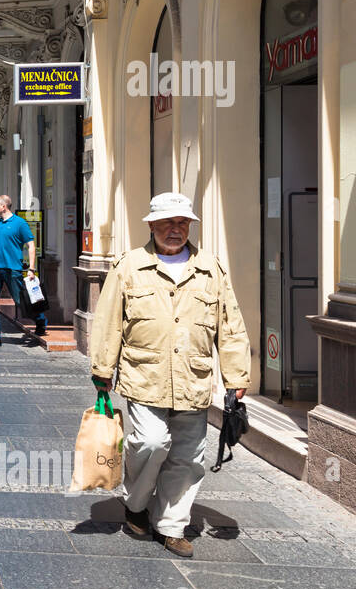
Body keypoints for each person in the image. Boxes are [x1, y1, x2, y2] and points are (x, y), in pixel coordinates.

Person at [89, 192, 251, 558]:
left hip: (194, 378)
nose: (175, 230)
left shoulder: (211, 268)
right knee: (150, 443)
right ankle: (135, 505)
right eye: (167, 223)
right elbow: (108, 322)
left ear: (190, 226)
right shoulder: (129, 266)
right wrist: (102, 369)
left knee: (189, 457)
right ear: (151, 225)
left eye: (182, 223)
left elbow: (231, 324)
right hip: (144, 376)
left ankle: (171, 525)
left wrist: (236, 375)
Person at [0, 195, 46, 347]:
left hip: (13, 269)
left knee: (20, 302)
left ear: (4, 206)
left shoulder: (19, 223)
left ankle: (40, 319)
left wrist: (32, 268)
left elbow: (31, 245)